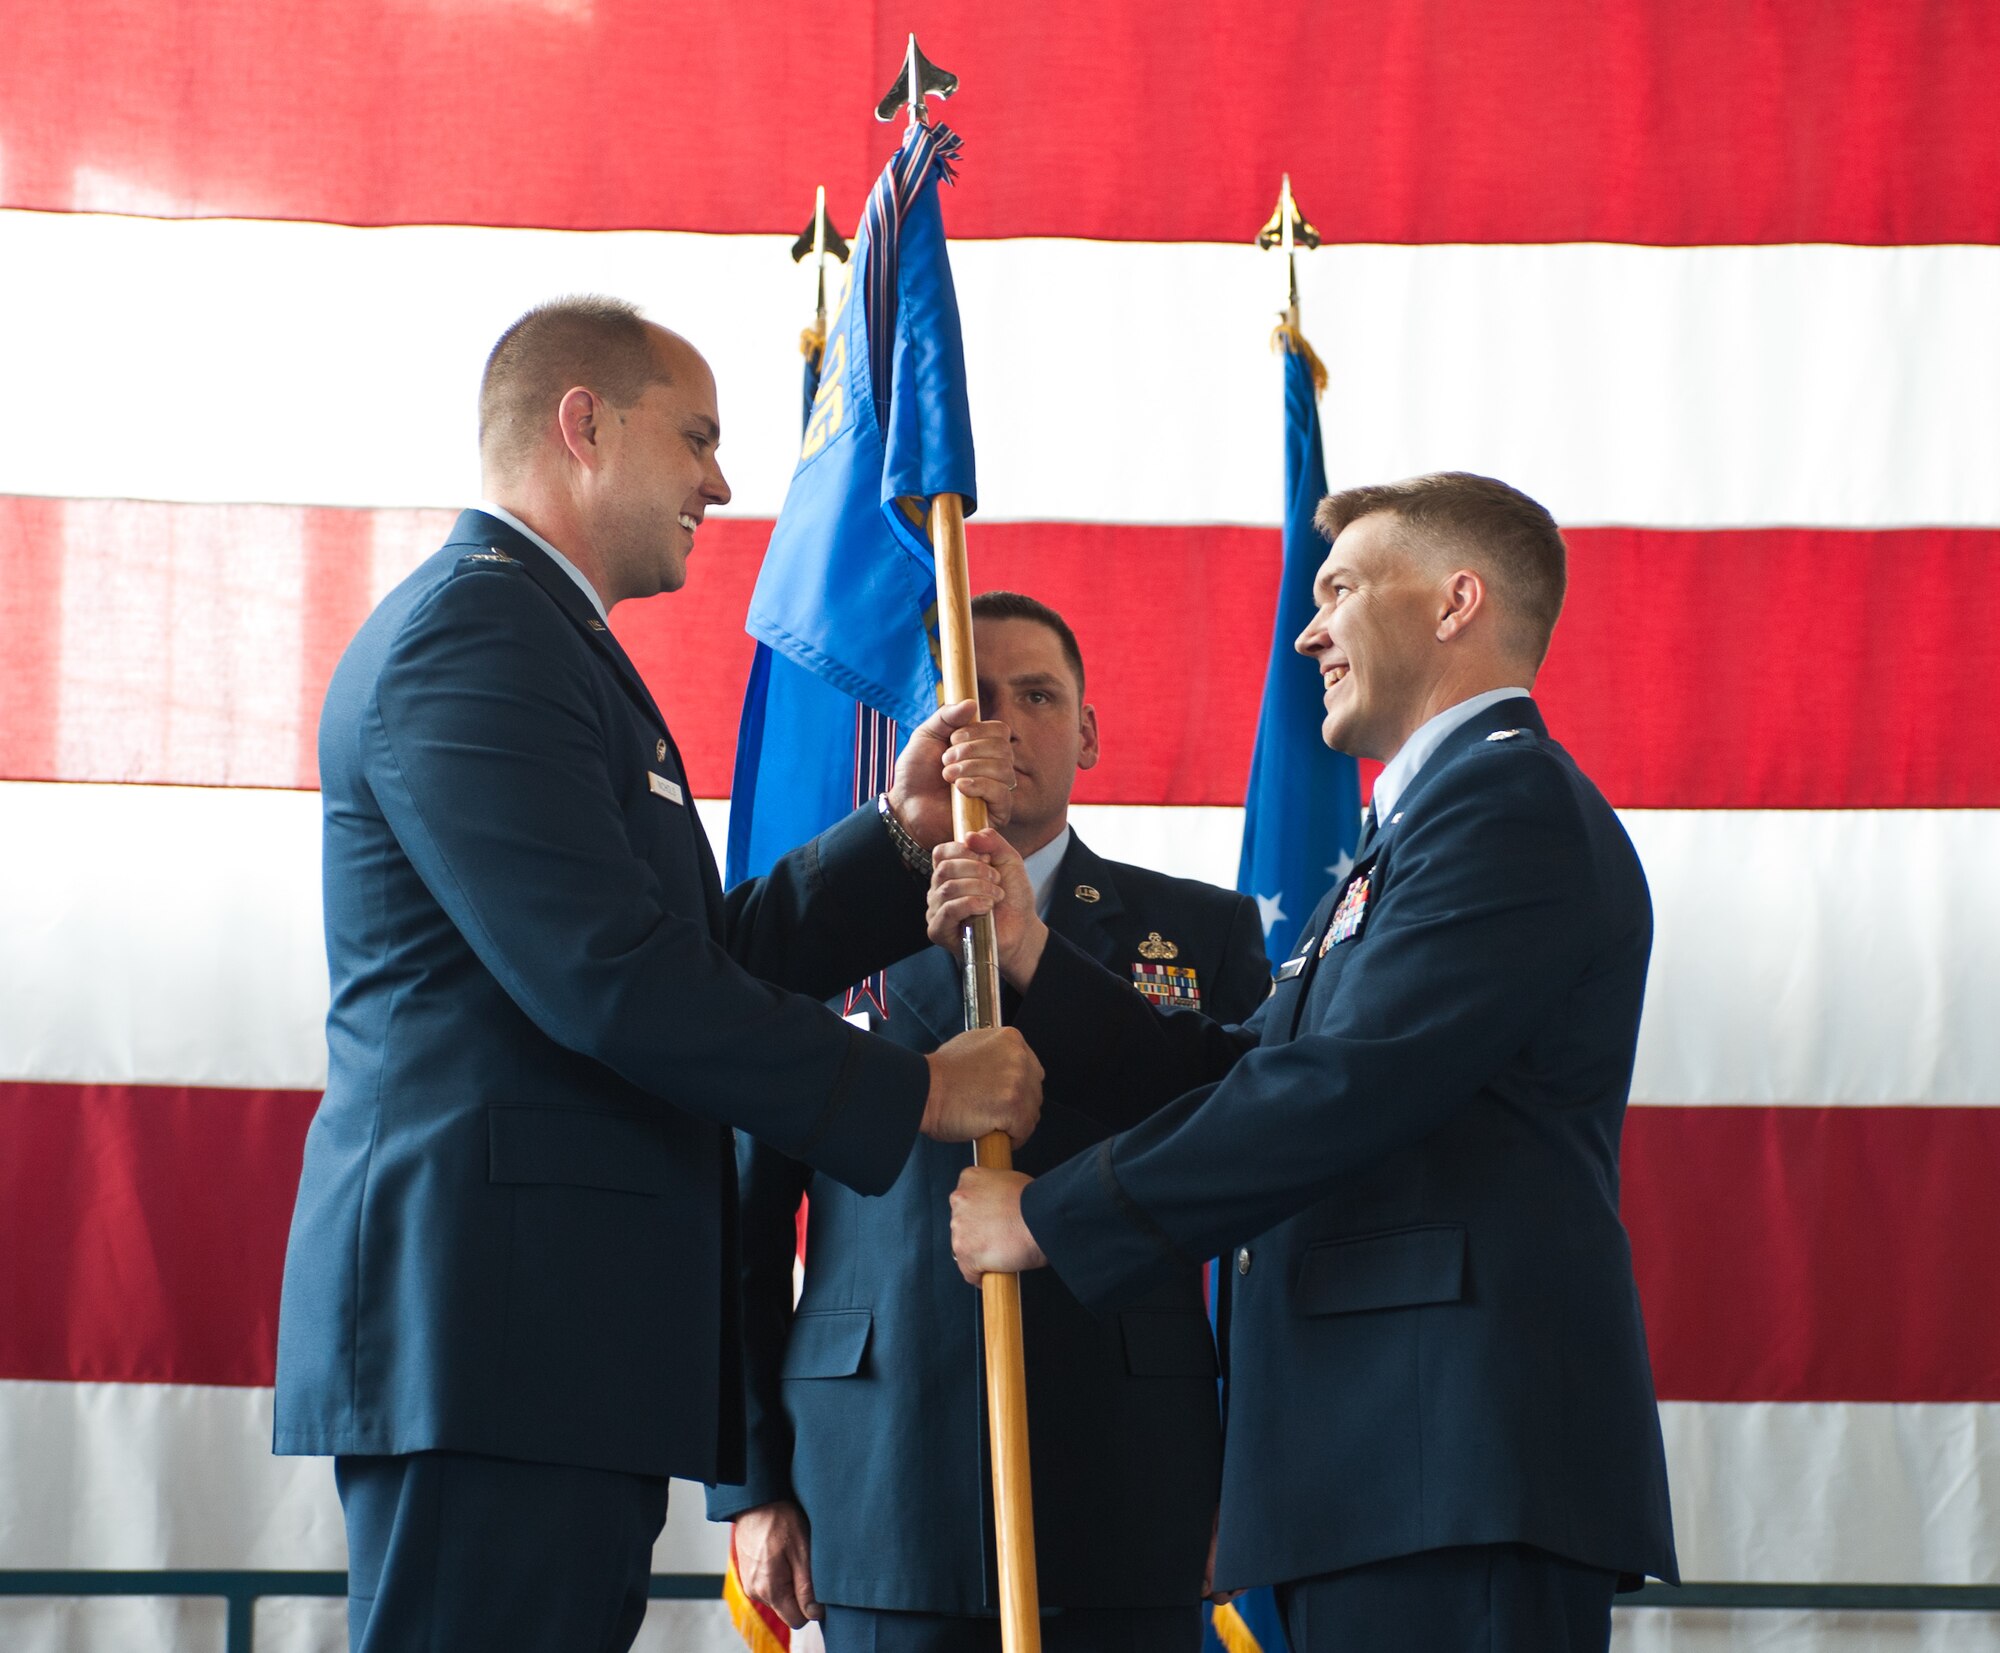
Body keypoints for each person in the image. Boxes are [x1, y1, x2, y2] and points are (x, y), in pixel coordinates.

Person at [272, 296, 1043, 1653]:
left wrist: (893, 838)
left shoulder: (543, 645)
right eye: (694, 437)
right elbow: (606, 979)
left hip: (550, 1335)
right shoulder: (476, 642)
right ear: (584, 424)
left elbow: (687, 957)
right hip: (489, 1328)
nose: (721, 480)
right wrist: (913, 1089)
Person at [943, 474, 1678, 1653]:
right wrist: (1038, 961)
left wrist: (1052, 1218)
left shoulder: (1507, 812)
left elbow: (1342, 1091)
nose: (1308, 628)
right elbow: (1247, 1065)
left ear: (1453, 603)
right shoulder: (1428, 823)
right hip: (1375, 1470)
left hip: (1444, 1471)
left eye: (1338, 588)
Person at [709, 592, 1271, 1653]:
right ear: (929, 736)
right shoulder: (820, 929)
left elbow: (1251, 1212)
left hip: (1134, 1475)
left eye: (1038, 696)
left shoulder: (1200, 931)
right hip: (873, 1480)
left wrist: (1250, 1465)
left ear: (1090, 733)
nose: (1002, 725)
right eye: (973, 702)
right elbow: (743, 1216)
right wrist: (753, 1485)